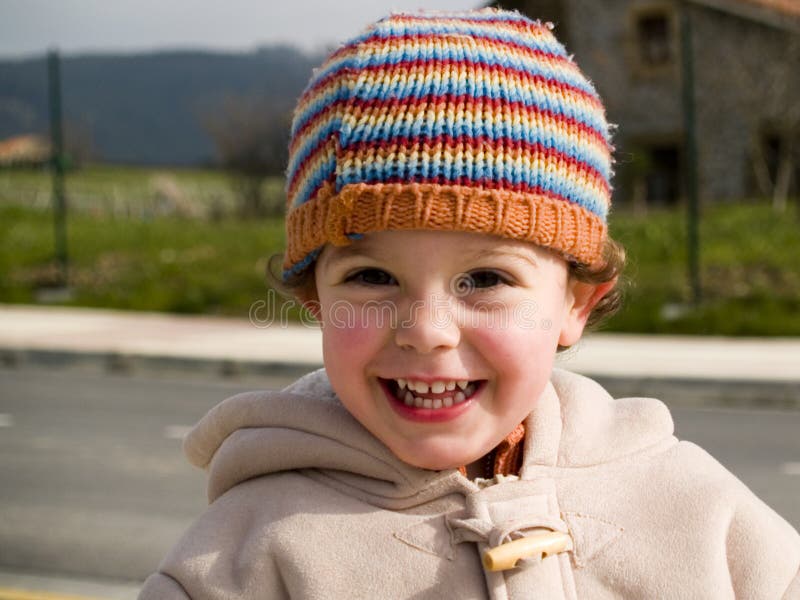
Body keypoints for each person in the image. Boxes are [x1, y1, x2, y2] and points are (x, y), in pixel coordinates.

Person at [139, 8, 800, 599]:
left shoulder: (700, 513)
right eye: (372, 277)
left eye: (484, 279)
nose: (426, 331)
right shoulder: (245, 555)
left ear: (576, 304)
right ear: (316, 299)